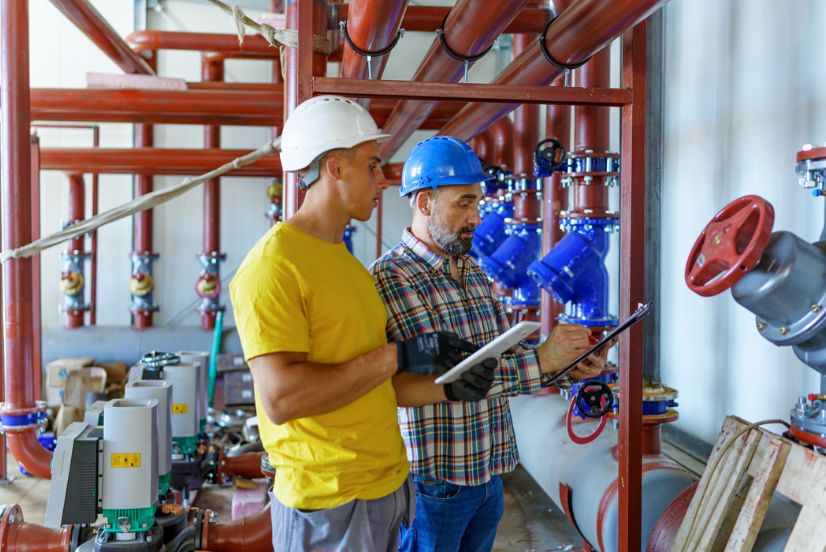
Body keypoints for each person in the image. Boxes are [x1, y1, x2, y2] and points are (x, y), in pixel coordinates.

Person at [229, 98, 495, 551]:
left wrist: (447, 388)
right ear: (334, 167)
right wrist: (399, 355)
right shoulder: (275, 265)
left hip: (383, 488)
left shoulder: (346, 264)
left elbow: (372, 384)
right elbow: (281, 398)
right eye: (372, 166)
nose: (383, 180)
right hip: (329, 500)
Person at [370, 136, 611, 551]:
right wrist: (542, 360)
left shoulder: (472, 271)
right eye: (464, 203)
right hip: (435, 484)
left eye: (478, 203)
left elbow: (503, 358)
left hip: (487, 474)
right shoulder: (394, 278)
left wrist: (565, 365)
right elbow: (454, 379)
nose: (477, 217)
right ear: (424, 203)